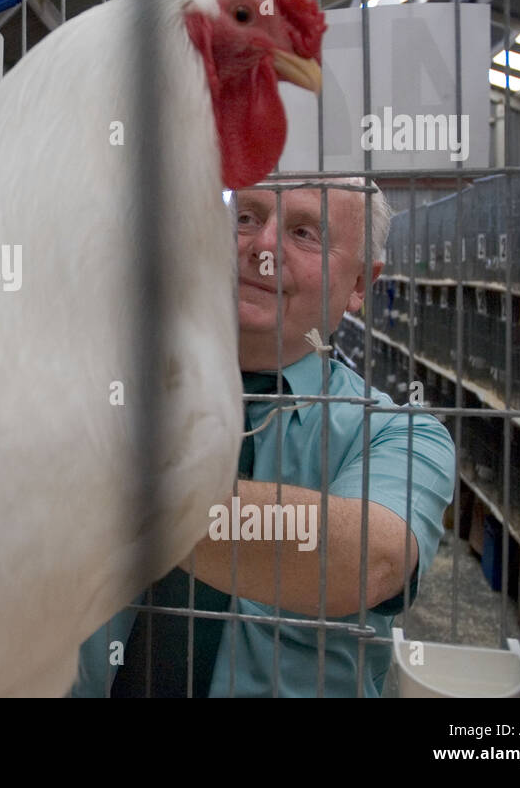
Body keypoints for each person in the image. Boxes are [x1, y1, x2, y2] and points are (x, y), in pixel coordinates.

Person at [72, 179, 456, 697]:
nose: (263, 246)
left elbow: (371, 559)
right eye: (246, 219)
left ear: (362, 284)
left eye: (303, 232)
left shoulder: (395, 434)